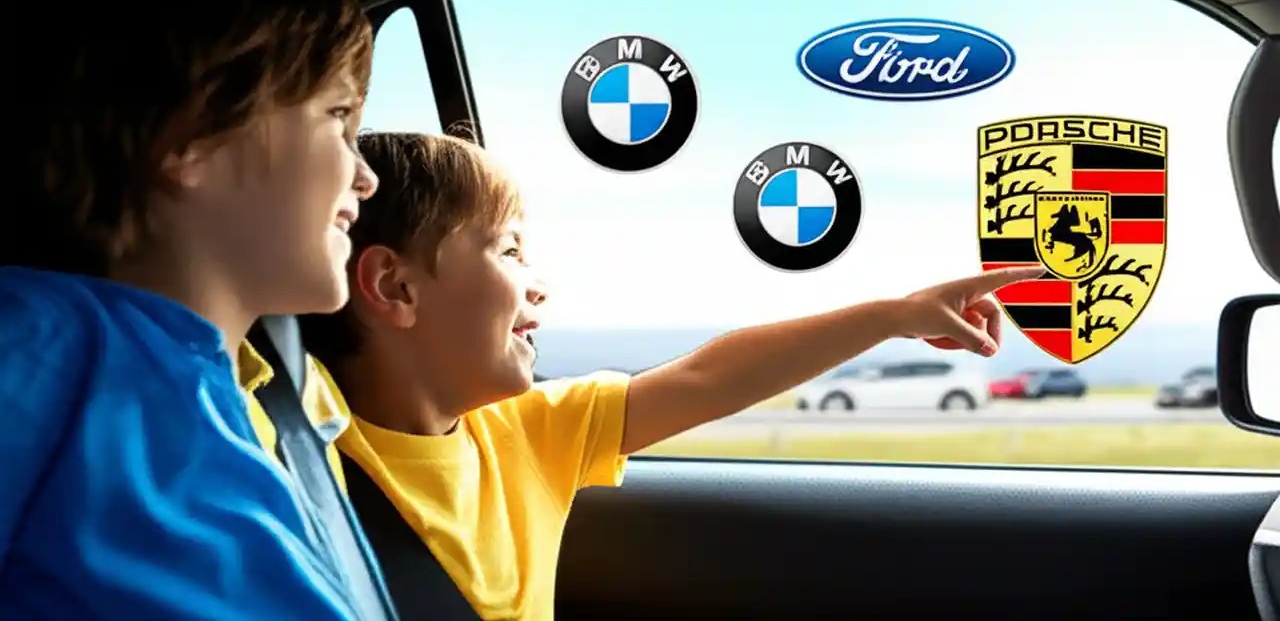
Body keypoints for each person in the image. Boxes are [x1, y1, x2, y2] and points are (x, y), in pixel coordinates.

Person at [298, 131, 1044, 620]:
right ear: (395, 289)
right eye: (508, 251)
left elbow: (707, 377)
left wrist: (891, 315)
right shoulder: (297, 444)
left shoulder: (527, 434)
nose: (539, 284)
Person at [0, 0, 386, 618]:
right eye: (339, 119)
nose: (367, 178)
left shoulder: (225, 399)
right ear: (193, 133)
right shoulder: (42, 343)